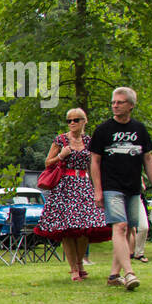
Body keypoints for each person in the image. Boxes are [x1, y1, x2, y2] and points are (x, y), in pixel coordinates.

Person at [89, 87, 152, 290]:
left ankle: (114, 275)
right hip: (111, 186)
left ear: (131, 105)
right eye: (113, 102)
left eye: (120, 102)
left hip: (133, 187)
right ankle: (129, 273)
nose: (115, 105)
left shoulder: (140, 129)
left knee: (129, 229)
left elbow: (148, 158)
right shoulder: (103, 130)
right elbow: (94, 162)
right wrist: (97, 190)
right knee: (119, 227)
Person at [35, 107, 110, 281]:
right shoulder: (60, 140)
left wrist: (97, 188)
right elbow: (48, 163)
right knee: (67, 230)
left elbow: (93, 166)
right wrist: (61, 155)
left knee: (84, 228)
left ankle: (80, 263)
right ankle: (73, 269)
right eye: (69, 120)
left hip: (83, 186)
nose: (72, 123)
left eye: (76, 120)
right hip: (64, 187)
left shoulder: (89, 141)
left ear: (84, 121)